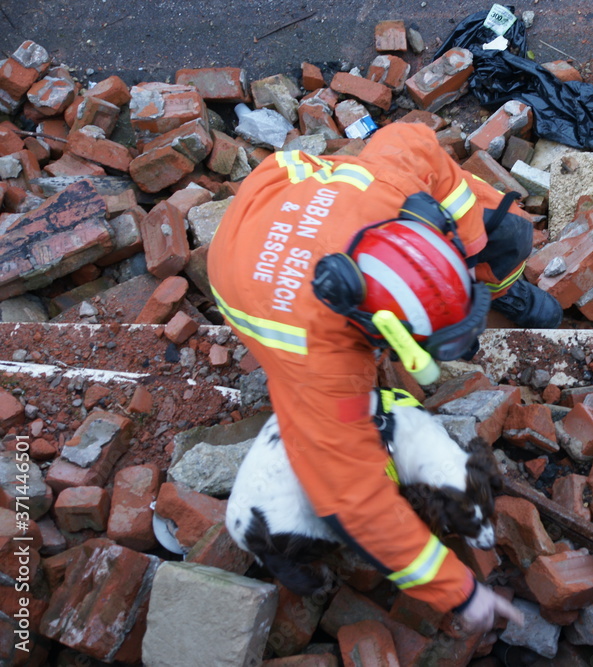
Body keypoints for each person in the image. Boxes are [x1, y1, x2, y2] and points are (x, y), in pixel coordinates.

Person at [207, 122, 559, 632]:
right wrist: (460, 593)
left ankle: (503, 286)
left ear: (418, 223)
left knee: (509, 230)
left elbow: (413, 135)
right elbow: (354, 502)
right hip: (243, 270)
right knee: (348, 440)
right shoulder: (323, 365)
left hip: (292, 202)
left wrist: (471, 236)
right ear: (378, 331)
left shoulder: (388, 186)